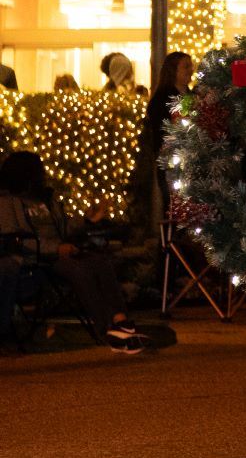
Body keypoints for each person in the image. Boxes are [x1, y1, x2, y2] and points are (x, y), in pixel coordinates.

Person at [0, 150, 146, 353]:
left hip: (63, 251)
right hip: (37, 259)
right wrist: (55, 248)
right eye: (39, 170)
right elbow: (16, 240)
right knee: (79, 269)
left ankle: (121, 320)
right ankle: (106, 328)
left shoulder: (46, 199)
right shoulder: (9, 203)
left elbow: (62, 227)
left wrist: (87, 221)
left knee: (99, 261)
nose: (44, 174)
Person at [135, 51, 194, 242]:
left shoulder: (191, 96)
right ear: (173, 70)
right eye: (185, 66)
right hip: (173, 163)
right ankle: (171, 252)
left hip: (192, 161)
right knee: (174, 210)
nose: (190, 70)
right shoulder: (162, 99)